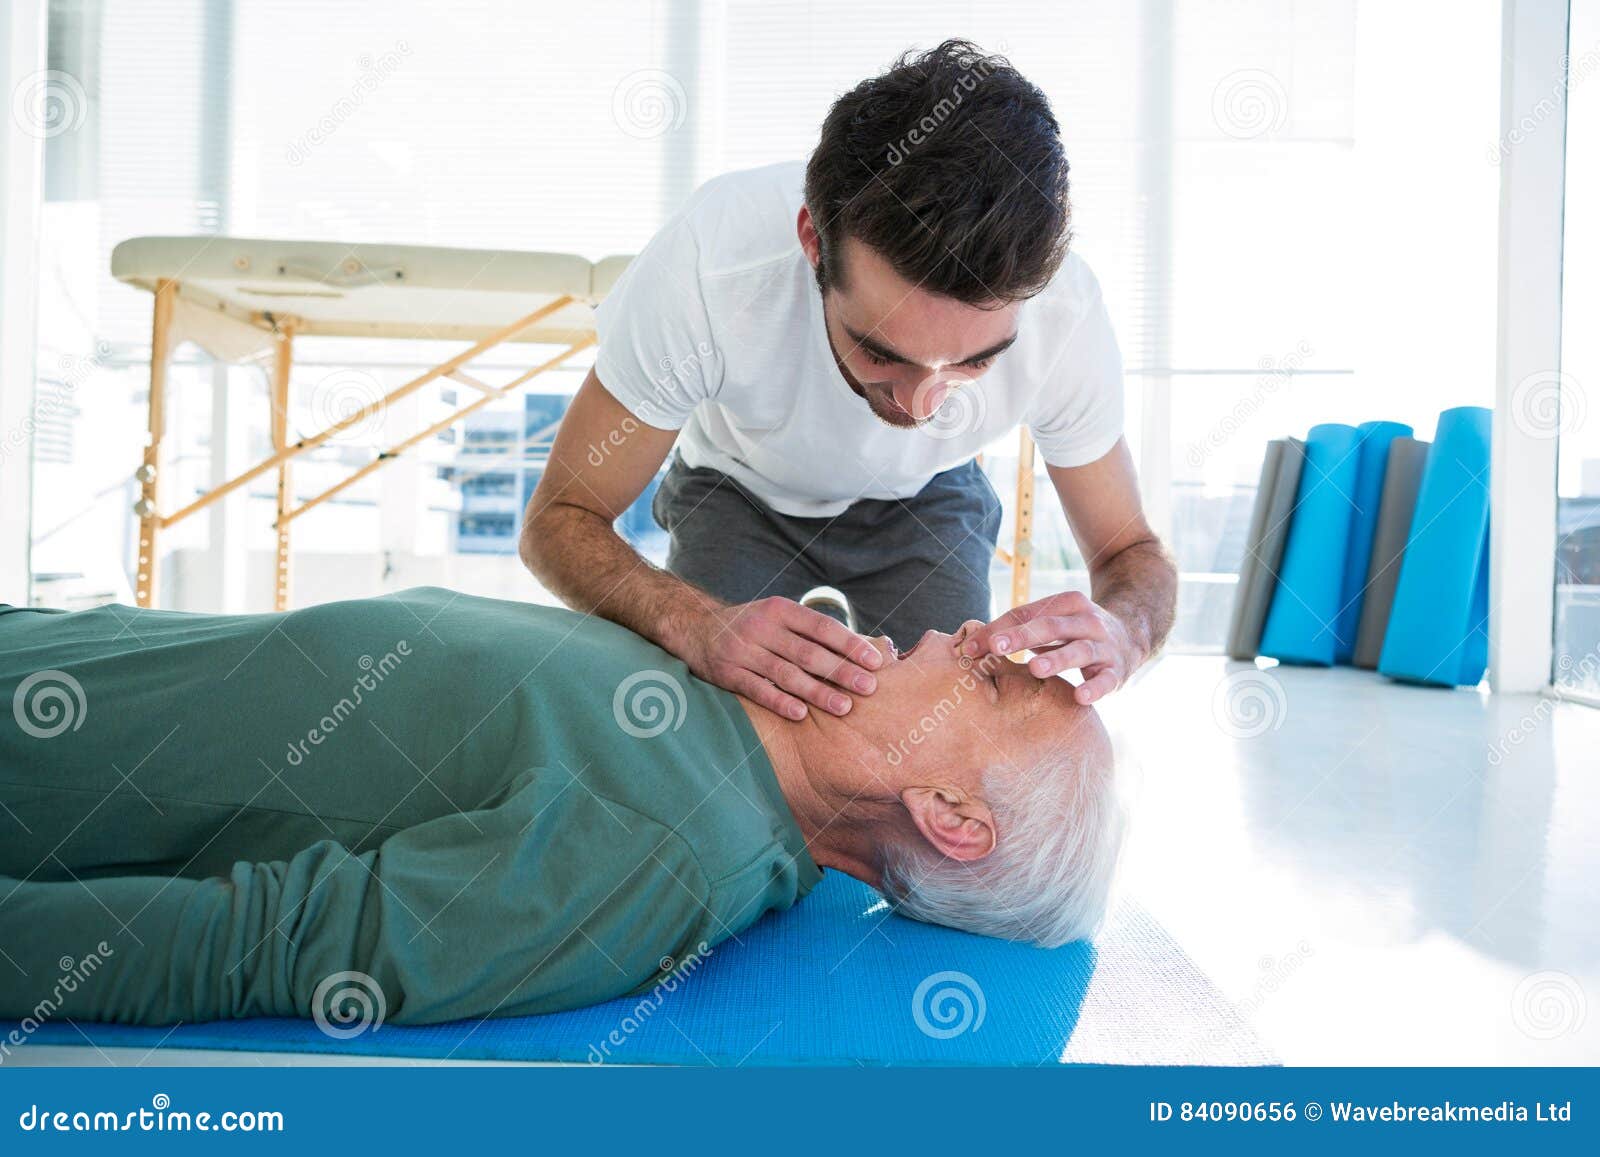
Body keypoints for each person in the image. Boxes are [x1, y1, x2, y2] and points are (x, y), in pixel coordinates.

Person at [0, 588, 1123, 1027]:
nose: (968, 634)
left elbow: (259, 941)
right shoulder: (733, 697)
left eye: (993, 684)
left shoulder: (654, 859)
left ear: (949, 815)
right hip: (61, 649)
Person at [521, 39, 1177, 728]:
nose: (922, 404)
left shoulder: (1065, 316)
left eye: (973, 363)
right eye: (880, 351)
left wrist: (1126, 630)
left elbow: (1130, 553)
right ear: (812, 242)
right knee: (720, 727)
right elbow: (558, 520)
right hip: (737, 485)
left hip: (928, 495)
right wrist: (695, 623)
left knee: (938, 728)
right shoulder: (707, 268)